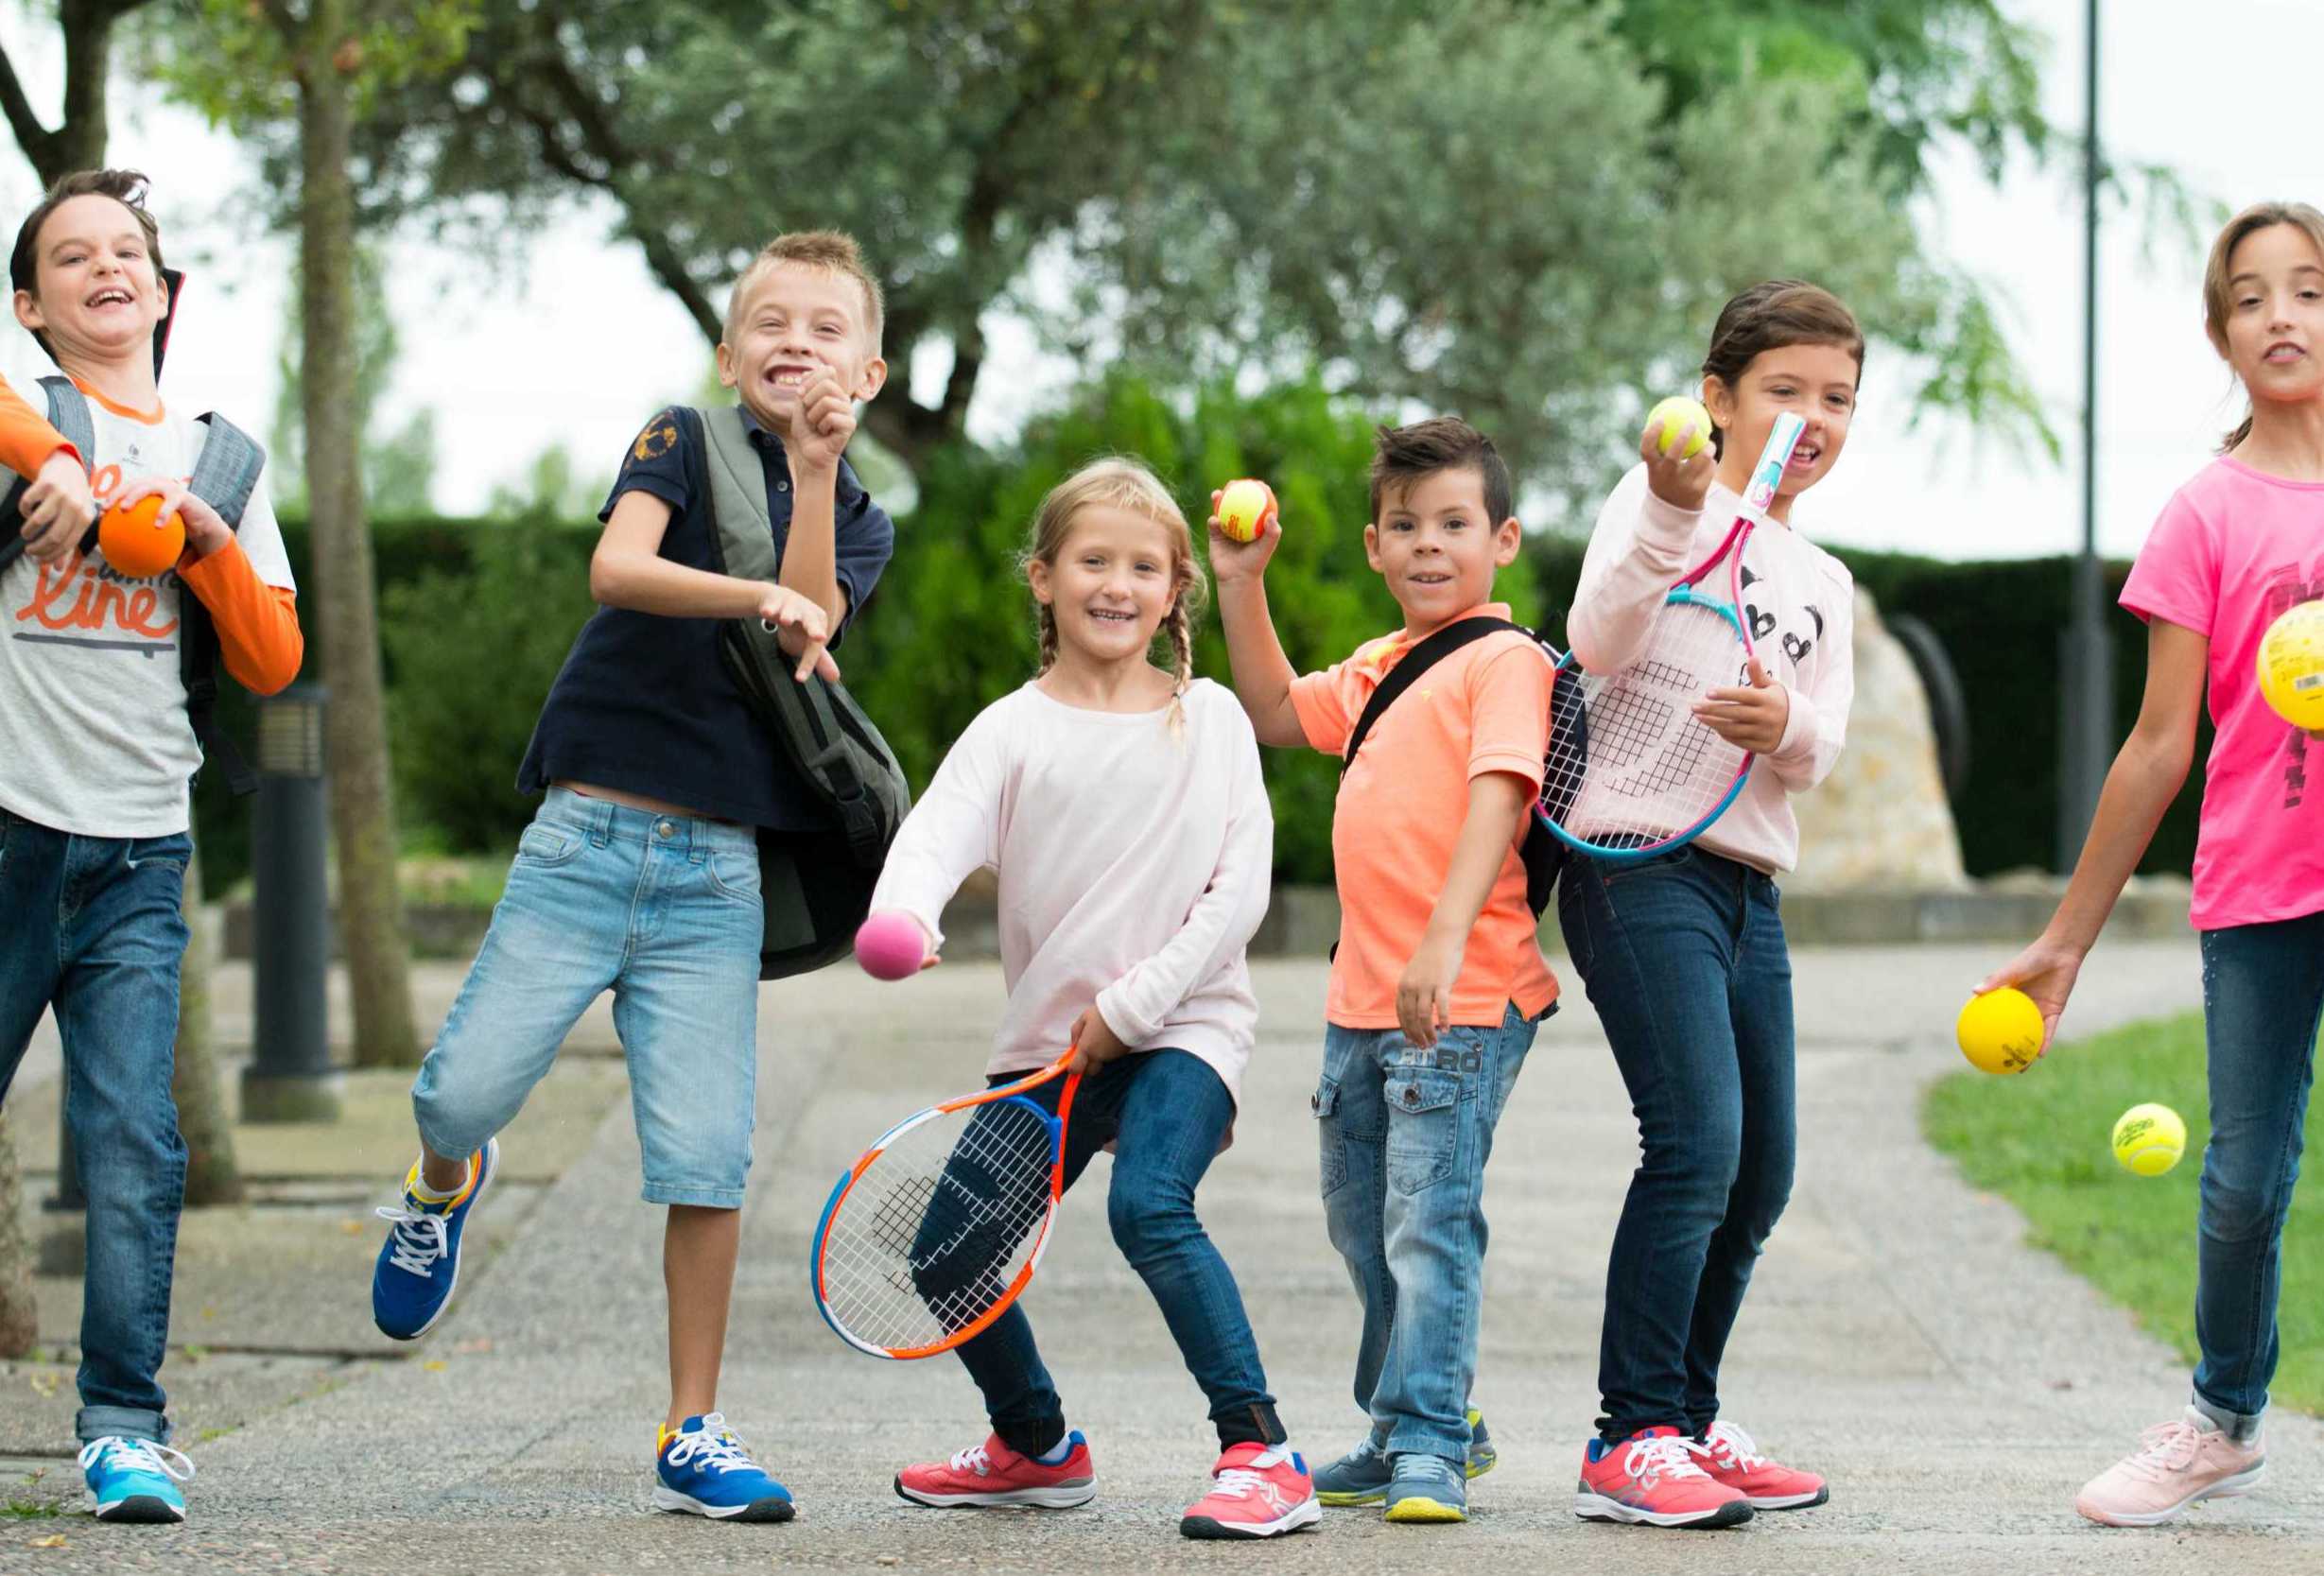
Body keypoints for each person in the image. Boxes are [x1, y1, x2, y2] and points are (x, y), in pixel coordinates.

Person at [367, 231, 893, 1524]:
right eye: (769, 322)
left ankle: (692, 1426)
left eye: (826, 329)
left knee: (706, 1157)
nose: (795, 343)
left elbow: (810, 625)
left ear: (868, 373)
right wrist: (752, 591)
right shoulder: (678, 438)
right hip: (585, 839)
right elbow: (619, 569)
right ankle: (442, 1184)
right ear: (727, 353)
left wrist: (812, 475)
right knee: (460, 1090)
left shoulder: (859, 517)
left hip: (716, 871)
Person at [871, 457, 1315, 1541]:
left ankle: (1260, 1450)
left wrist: (1133, 1006)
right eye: (1092, 561)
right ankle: (1034, 1443)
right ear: (1042, 576)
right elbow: (932, 836)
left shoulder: (1210, 719)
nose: (1116, 584)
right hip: (1050, 1046)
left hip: (1186, 1029)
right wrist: (904, 915)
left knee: (1148, 1203)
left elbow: (1238, 892)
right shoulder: (1010, 728)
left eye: (1143, 567)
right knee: (948, 1254)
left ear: (1174, 591)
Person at [1982, 200, 2324, 1530]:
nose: (2281, 314)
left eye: (2308, 288)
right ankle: (2221, 1419)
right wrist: (2065, 935)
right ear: (2219, 333)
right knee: (2241, 1184)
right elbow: (2156, 743)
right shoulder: (2201, 512)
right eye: (2251, 296)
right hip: (2260, 889)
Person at [0, 168, 304, 1525]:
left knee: (132, 1140)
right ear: (30, 304)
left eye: (128, 250)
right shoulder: (25, 420)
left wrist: (205, 542)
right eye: (73, 256)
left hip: (140, 851)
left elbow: (273, 656)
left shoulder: (221, 455)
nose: (107, 269)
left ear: (166, 290)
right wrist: (58, 465)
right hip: (9, 826)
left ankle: (123, 1425)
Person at [1212, 417, 1554, 1524]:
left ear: (1501, 539)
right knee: (1363, 1222)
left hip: (1462, 989)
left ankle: (1429, 1439)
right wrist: (1240, 581)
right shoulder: (1376, 667)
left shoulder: (1505, 660)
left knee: (1427, 1219)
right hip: (1362, 995)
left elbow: (1500, 790)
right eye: (1405, 525)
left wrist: (1442, 940)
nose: (1427, 544)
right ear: (1373, 545)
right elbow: (1273, 710)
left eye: (1454, 523)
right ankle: (1416, 1412)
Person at [1561, 282, 1862, 1529]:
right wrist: (1673, 509)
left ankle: (1684, 1415)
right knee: (1694, 1145)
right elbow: (1595, 636)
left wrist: (1780, 719)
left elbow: (1821, 743)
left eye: (1836, 397)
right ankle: (1627, 1435)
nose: (1811, 417)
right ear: (1716, 399)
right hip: (1634, 864)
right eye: (1783, 390)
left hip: (1748, 886)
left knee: (1760, 1171)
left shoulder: (1825, 576)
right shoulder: (1656, 501)